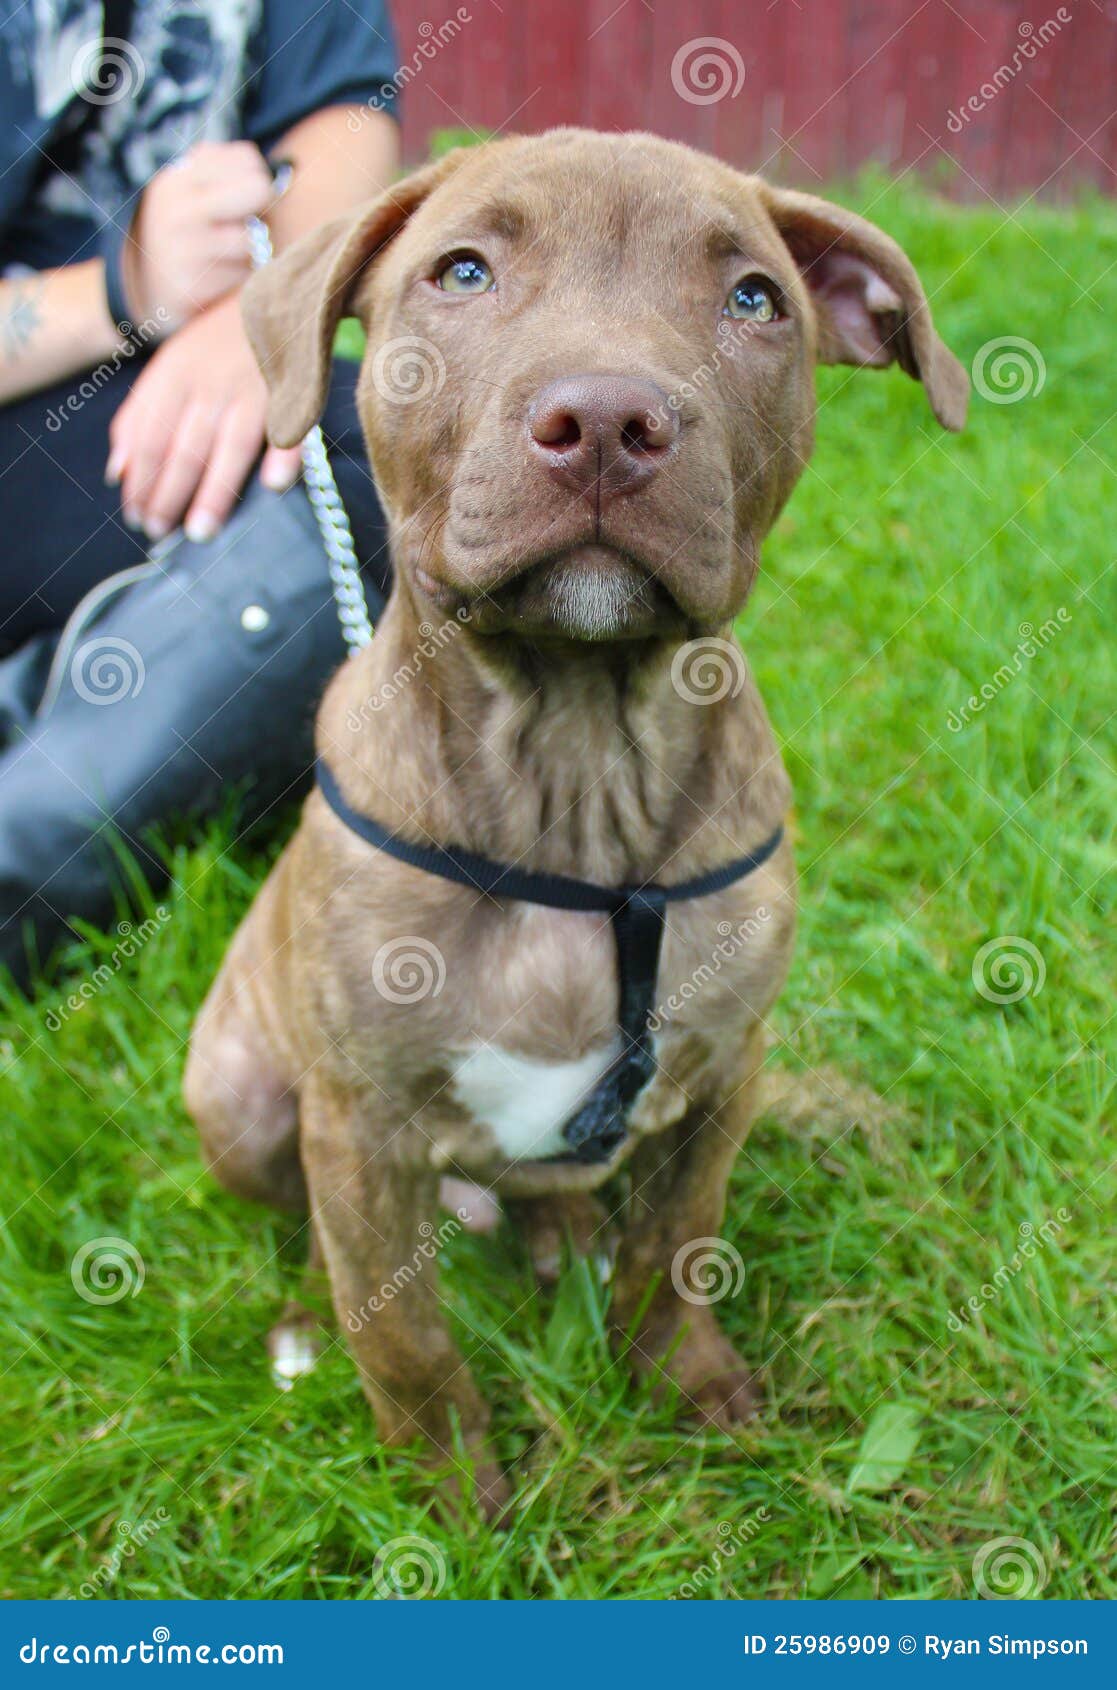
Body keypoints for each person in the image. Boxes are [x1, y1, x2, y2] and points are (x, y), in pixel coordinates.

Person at [0, 0, 401, 984]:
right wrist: (121, 288)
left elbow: (341, 116)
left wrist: (263, 320)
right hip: (41, 363)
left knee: (380, 463)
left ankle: (45, 760)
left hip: (135, 423)